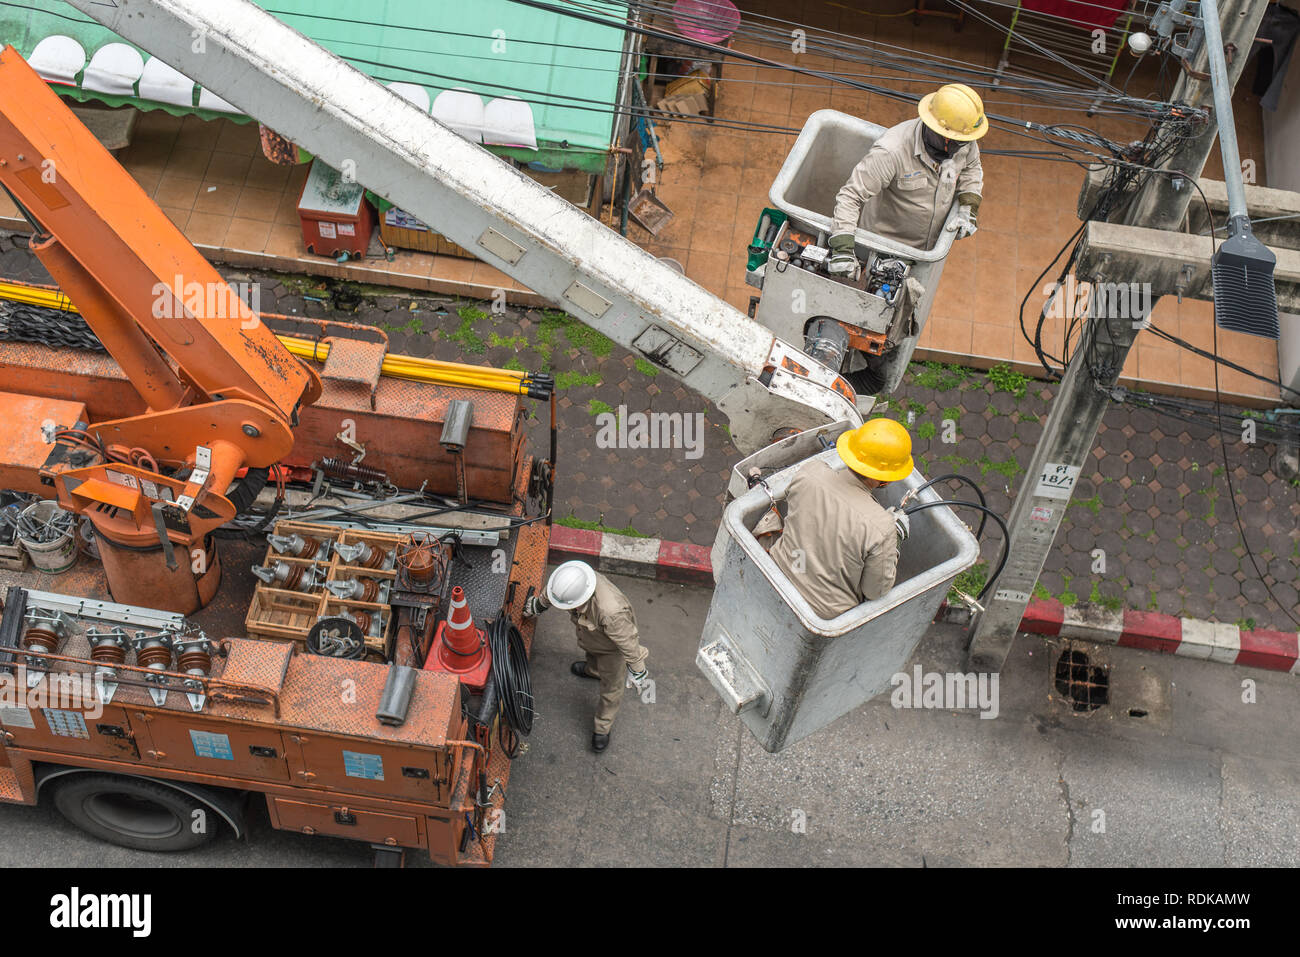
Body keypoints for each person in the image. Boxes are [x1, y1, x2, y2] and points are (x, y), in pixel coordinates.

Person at [827, 82, 988, 277]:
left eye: (966, 141)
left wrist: (968, 208)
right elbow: (851, 195)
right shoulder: (892, 152)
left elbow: (972, 168)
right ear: (939, 131)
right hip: (882, 247)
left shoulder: (964, 138)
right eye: (958, 142)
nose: (963, 147)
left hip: (926, 251)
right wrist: (842, 249)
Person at [768, 419, 914, 621]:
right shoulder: (882, 528)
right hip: (822, 614)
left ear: (850, 453)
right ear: (886, 478)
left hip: (774, 575)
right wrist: (894, 542)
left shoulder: (810, 472)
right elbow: (875, 591)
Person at [523, 561, 650, 752]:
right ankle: (593, 671)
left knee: (611, 689)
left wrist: (637, 671)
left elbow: (628, 643)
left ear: (586, 596)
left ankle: (602, 727)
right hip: (592, 639)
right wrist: (538, 605)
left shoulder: (611, 613)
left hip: (611, 650)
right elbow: (554, 593)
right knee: (592, 655)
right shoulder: (571, 579)